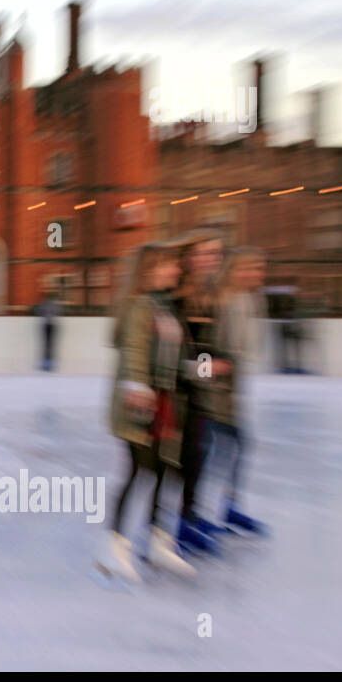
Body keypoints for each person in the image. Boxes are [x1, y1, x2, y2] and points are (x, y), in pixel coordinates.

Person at [104, 243, 195, 581]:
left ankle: (159, 543)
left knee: (163, 471)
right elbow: (134, 351)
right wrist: (138, 388)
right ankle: (117, 548)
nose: (176, 271)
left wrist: (204, 369)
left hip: (166, 403)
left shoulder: (167, 307)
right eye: (168, 265)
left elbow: (175, 360)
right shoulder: (140, 306)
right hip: (141, 404)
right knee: (138, 472)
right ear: (149, 270)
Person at [172, 229, 232, 556]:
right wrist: (205, 369)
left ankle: (189, 516)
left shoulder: (210, 296)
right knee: (182, 456)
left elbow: (204, 346)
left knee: (199, 452)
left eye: (216, 254)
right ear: (188, 258)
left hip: (198, 389)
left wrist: (211, 366)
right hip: (176, 389)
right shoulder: (177, 297)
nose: (211, 260)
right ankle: (177, 523)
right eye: (204, 253)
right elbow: (172, 354)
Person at [211, 247, 268, 535]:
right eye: (248, 268)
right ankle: (207, 511)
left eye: (259, 269)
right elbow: (219, 348)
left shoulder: (249, 300)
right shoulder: (226, 302)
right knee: (223, 448)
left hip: (232, 388)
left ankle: (225, 507)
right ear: (233, 271)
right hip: (217, 390)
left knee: (232, 448)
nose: (256, 274)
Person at [36, 290, 61, 371]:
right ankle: (50, 364)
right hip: (53, 325)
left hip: (46, 325)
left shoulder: (44, 305)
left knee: (46, 345)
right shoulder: (55, 305)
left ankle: (46, 364)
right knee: (51, 345)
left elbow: (39, 311)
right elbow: (58, 312)